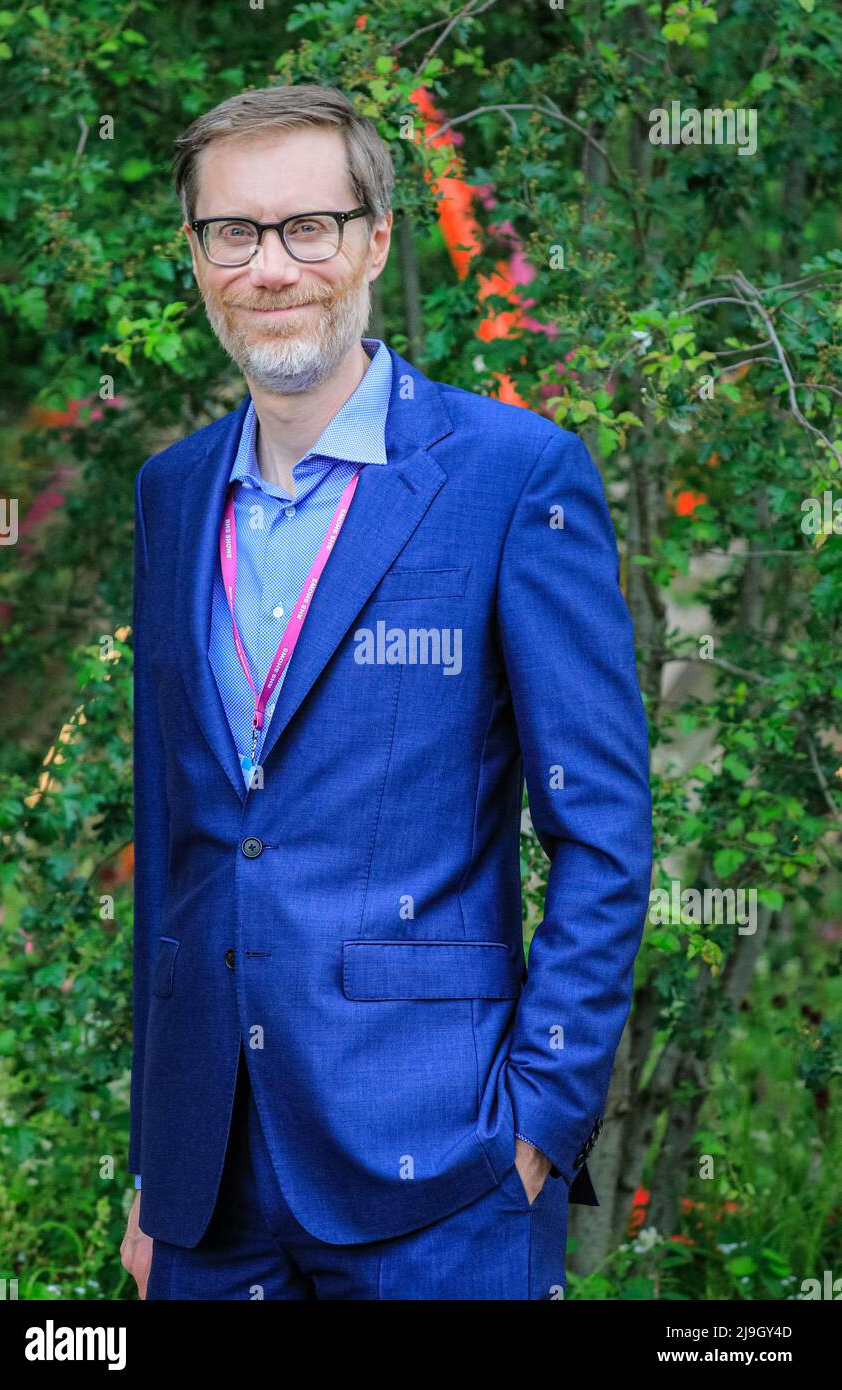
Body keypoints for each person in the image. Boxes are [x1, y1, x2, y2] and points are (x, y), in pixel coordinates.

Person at [120, 83, 653, 1301]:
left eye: (310, 225)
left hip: (443, 1171)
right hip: (211, 1189)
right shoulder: (171, 490)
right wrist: (157, 1165)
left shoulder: (513, 476)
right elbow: (176, 843)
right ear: (197, 254)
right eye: (235, 231)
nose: (273, 266)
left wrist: (534, 1128)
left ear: (374, 239)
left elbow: (604, 828)